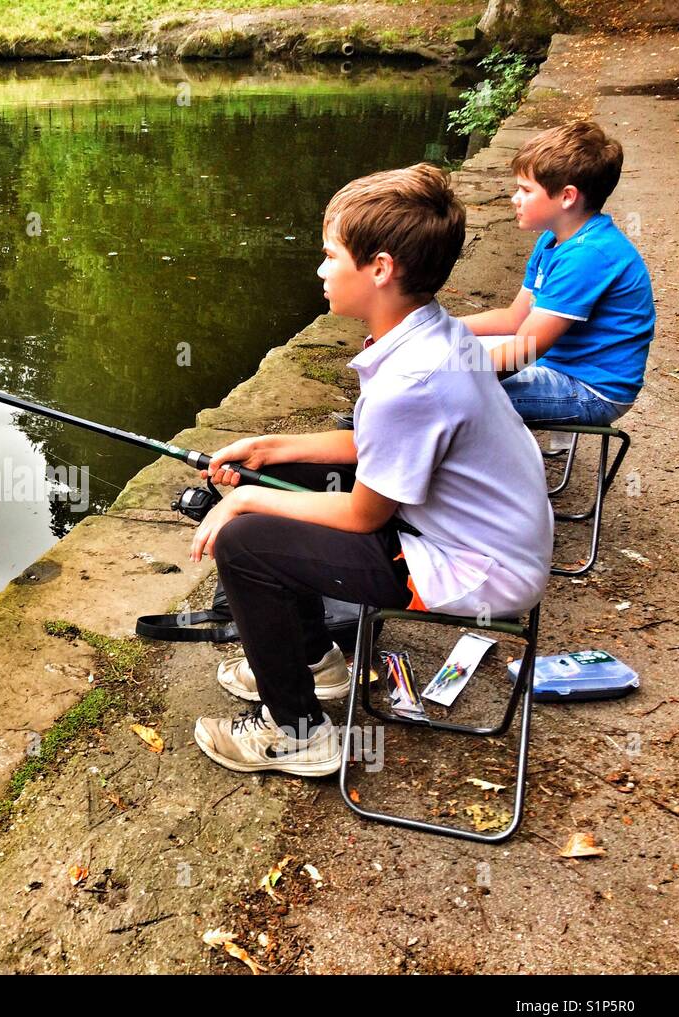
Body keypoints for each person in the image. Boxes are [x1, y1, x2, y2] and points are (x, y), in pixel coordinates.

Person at [189, 163, 553, 778]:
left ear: (380, 268)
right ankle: (316, 663)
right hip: (489, 537)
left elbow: (363, 514)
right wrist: (273, 449)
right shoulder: (436, 334)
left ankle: (298, 734)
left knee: (245, 542)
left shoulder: (413, 380)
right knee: (280, 484)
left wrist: (243, 504)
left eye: (331, 256)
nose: (321, 270)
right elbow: (383, 446)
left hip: (475, 568)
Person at [460, 121, 655, 425]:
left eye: (525, 190)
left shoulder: (588, 255)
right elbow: (514, 319)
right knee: (435, 357)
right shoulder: (553, 238)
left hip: (590, 390)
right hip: (556, 366)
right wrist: (437, 331)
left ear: (567, 197)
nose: (515, 199)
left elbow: (524, 351)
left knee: (444, 393)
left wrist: (446, 372)